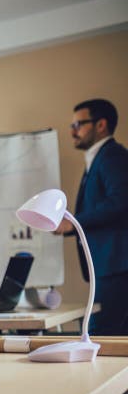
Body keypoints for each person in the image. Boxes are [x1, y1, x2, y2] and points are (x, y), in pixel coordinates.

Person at [54, 98, 128, 335]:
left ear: (101, 125)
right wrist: (70, 226)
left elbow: (120, 202)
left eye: (78, 124)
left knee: (101, 335)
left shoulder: (112, 156)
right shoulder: (100, 157)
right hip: (110, 267)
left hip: (116, 267)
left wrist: (73, 223)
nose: (72, 131)